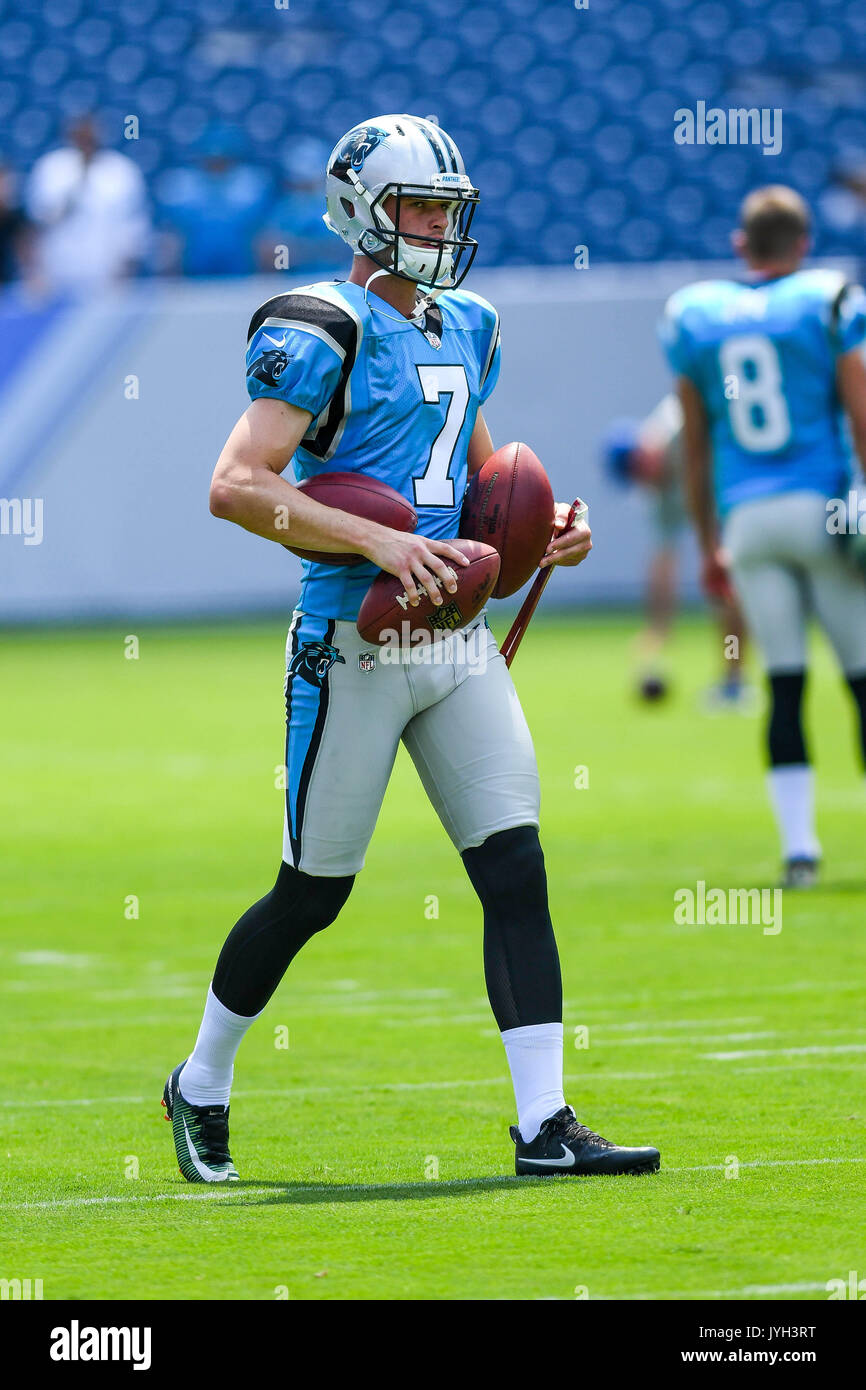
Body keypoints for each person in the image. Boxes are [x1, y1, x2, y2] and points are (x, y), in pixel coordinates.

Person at [162, 114, 660, 1182]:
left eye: (445, 208)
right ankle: (200, 1078)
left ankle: (544, 1122)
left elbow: (480, 480)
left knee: (514, 867)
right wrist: (380, 540)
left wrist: (542, 529)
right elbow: (236, 485)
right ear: (358, 212)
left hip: (455, 638)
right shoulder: (319, 324)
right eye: (418, 208)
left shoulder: (469, 321)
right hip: (354, 637)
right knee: (312, 894)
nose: (437, 226)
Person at [660, 185, 866, 887]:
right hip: (823, 508)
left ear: (740, 244)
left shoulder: (696, 314)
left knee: (782, 683)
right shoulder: (828, 298)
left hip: (748, 519)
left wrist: (708, 542)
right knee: (861, 680)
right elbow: (861, 411)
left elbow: (695, 447)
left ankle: (800, 851)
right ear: (805, 243)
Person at [602, 397, 750, 707]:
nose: (645, 474)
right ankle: (734, 682)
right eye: (636, 474)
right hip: (723, 516)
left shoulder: (680, 422)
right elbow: (663, 562)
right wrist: (658, 628)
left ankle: (741, 681)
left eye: (639, 464)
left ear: (644, 443)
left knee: (736, 584)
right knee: (723, 589)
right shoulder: (658, 492)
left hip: (748, 489)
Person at [25, 115, 149, 293]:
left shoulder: (122, 170)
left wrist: (126, 270)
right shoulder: (51, 167)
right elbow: (38, 220)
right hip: (57, 275)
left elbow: (134, 226)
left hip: (107, 276)